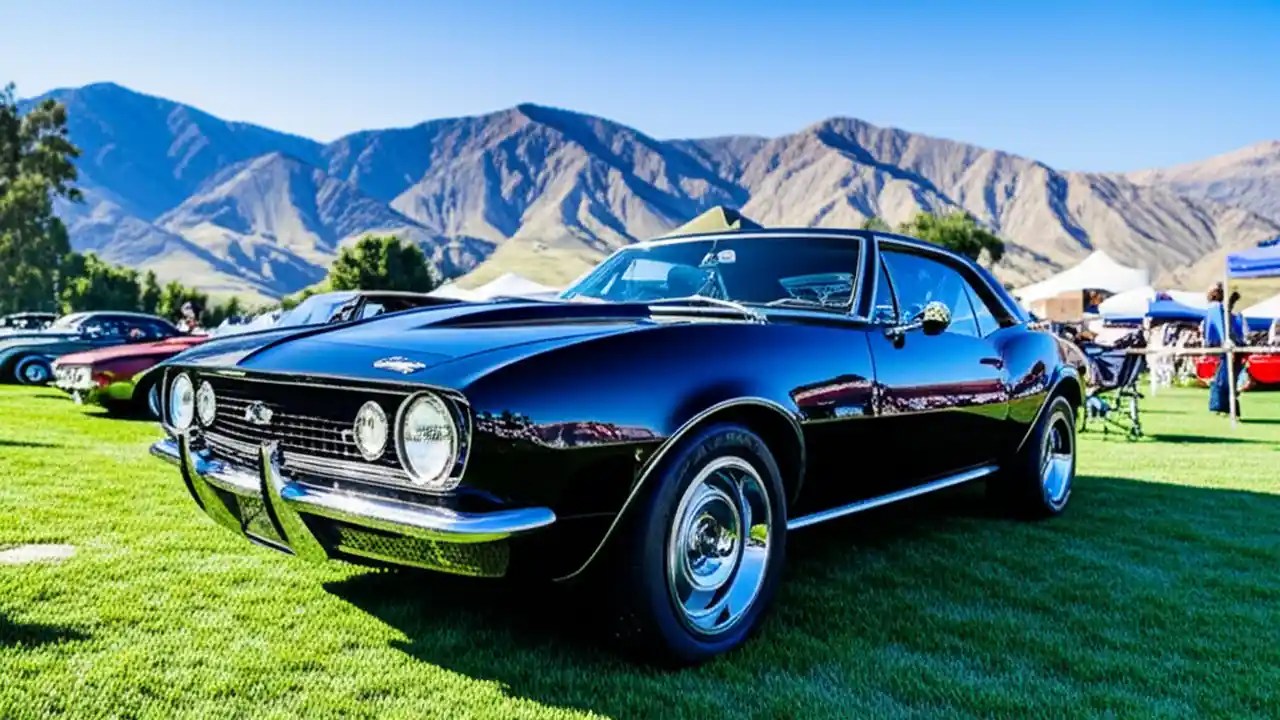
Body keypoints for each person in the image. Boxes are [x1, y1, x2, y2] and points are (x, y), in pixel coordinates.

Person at [1203, 284, 1245, 417]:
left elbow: (1223, 328)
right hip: (1229, 346)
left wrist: (1228, 344)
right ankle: (1224, 407)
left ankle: (1224, 407)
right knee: (1225, 378)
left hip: (1229, 347)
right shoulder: (1218, 309)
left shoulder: (1215, 308)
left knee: (1225, 379)